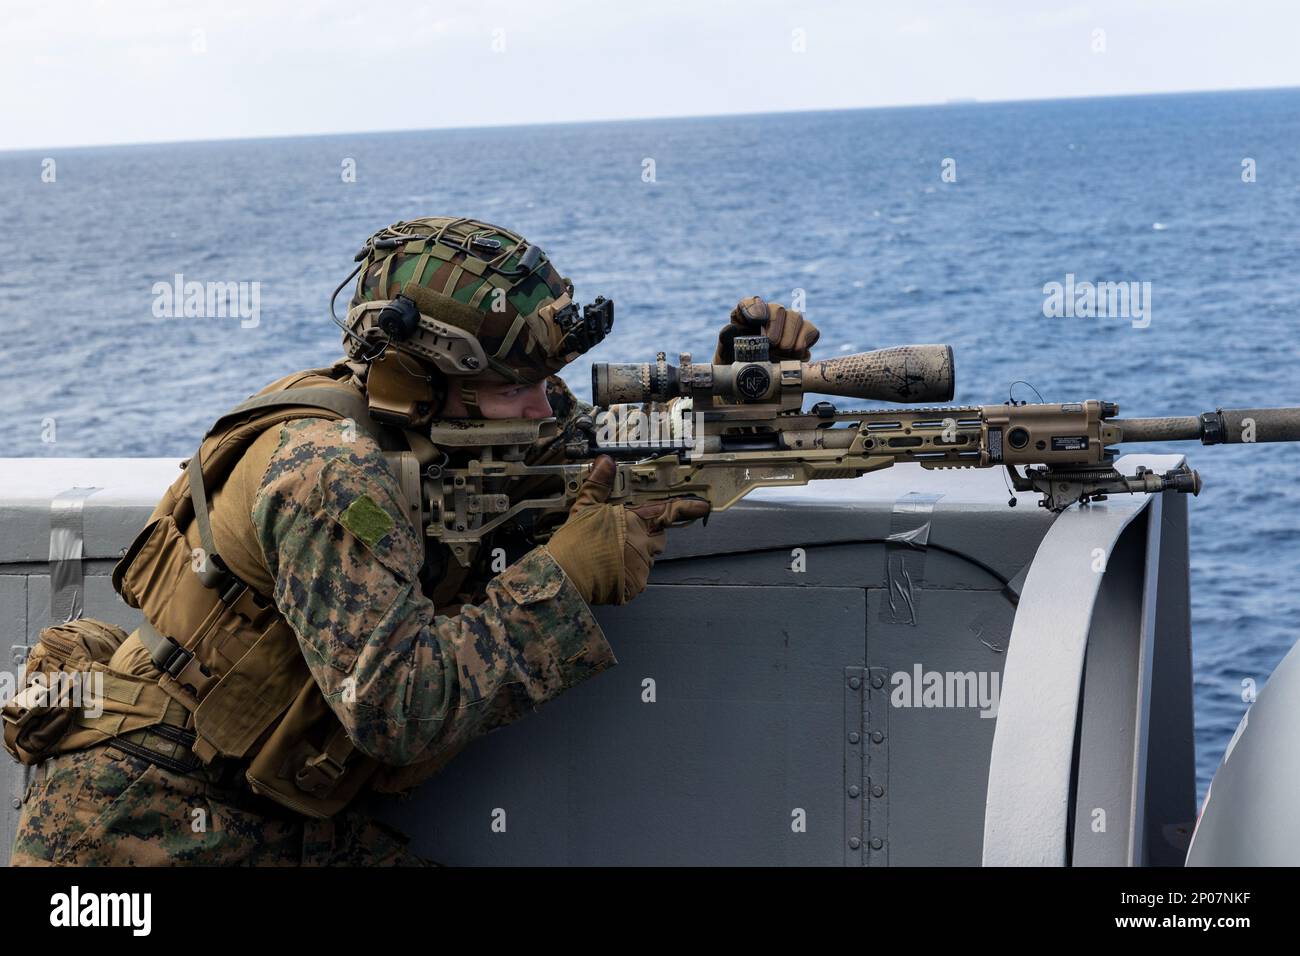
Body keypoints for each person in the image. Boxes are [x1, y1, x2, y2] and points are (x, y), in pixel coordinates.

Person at [7, 216, 818, 866]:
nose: (545, 408)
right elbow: (399, 710)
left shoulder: (445, 418)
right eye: (516, 389)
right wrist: (565, 584)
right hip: (143, 820)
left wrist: (726, 408)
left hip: (268, 801)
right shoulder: (329, 474)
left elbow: (583, 447)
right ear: (419, 378)